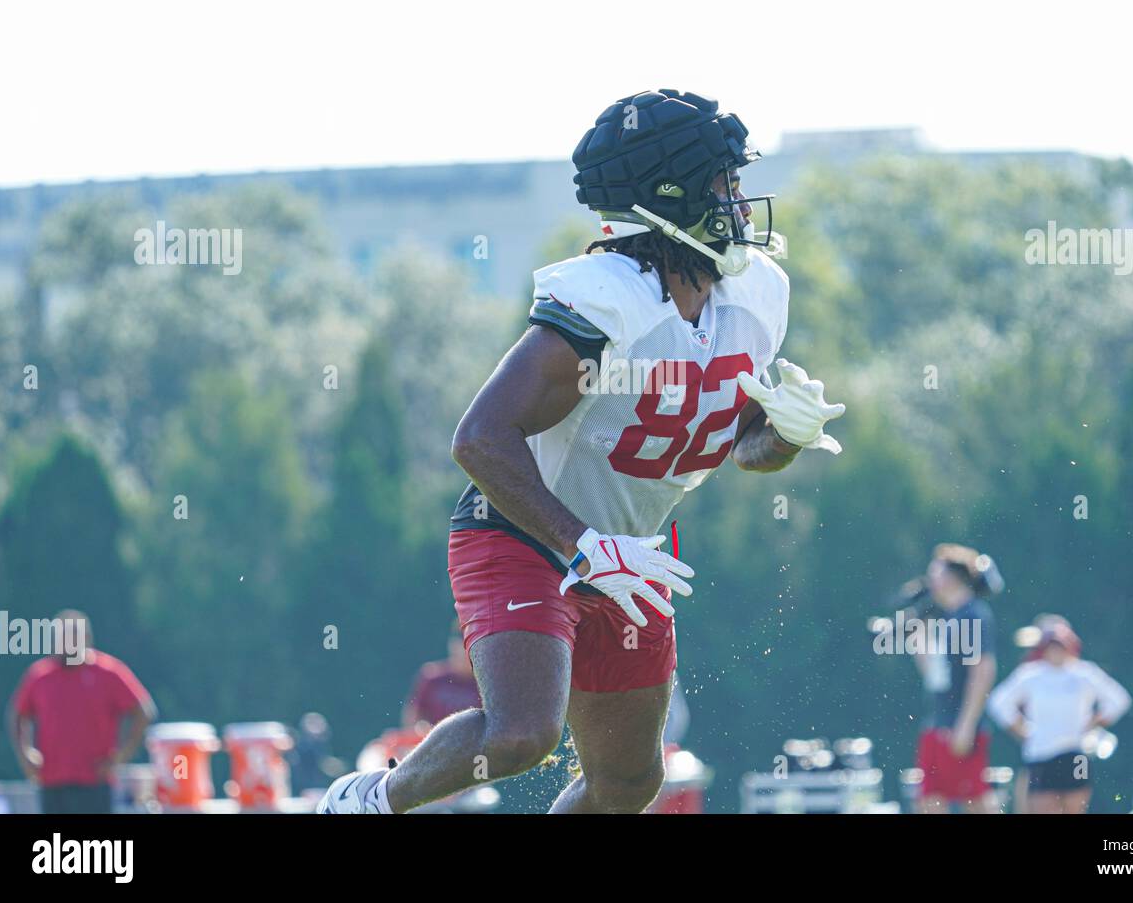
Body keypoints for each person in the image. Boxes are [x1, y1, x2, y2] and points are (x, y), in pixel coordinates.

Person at [319, 89, 845, 814]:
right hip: (524, 534)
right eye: (722, 186)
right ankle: (369, 800)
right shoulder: (608, 300)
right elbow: (479, 438)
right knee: (520, 735)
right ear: (669, 197)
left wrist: (783, 433)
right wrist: (581, 544)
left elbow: (744, 450)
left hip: (632, 552)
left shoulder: (756, 295)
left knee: (629, 780)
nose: (740, 203)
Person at [7, 610, 156, 814]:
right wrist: (25, 754)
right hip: (52, 781)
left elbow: (143, 712)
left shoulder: (108, 672)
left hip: (95, 781)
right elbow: (17, 715)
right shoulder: (40, 675)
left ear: (85, 639)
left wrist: (121, 757)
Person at [988, 618, 1130, 813]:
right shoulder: (1031, 675)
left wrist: (1094, 722)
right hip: (1042, 755)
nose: (1056, 652)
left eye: (1061, 647)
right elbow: (998, 702)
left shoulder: (1083, 673)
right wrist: (1020, 728)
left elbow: (1119, 700)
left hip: (1075, 754)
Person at [911, 544, 1001, 813]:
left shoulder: (973, 613)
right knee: (930, 797)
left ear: (953, 576)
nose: (930, 580)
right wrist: (917, 633)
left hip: (960, 724)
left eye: (935, 573)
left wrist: (967, 723)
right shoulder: (949, 617)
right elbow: (936, 676)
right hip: (939, 721)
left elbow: (983, 669)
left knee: (974, 799)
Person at [401, 619, 482, 730]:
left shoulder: (485, 683)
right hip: (432, 743)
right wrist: (423, 729)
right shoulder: (432, 676)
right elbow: (412, 718)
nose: (461, 655)